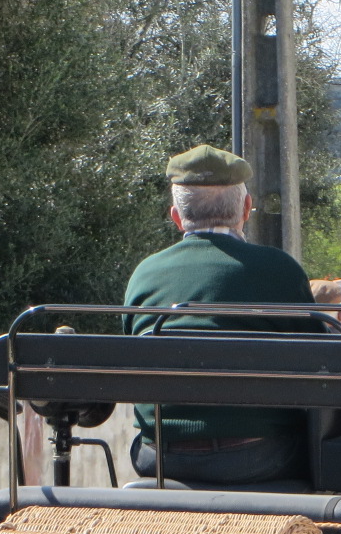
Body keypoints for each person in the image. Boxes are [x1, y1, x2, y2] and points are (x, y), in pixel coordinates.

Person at [122, 144, 318, 486]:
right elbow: (321, 367)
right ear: (246, 208)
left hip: (160, 457)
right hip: (258, 456)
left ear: (177, 216)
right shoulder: (280, 271)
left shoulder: (145, 274)